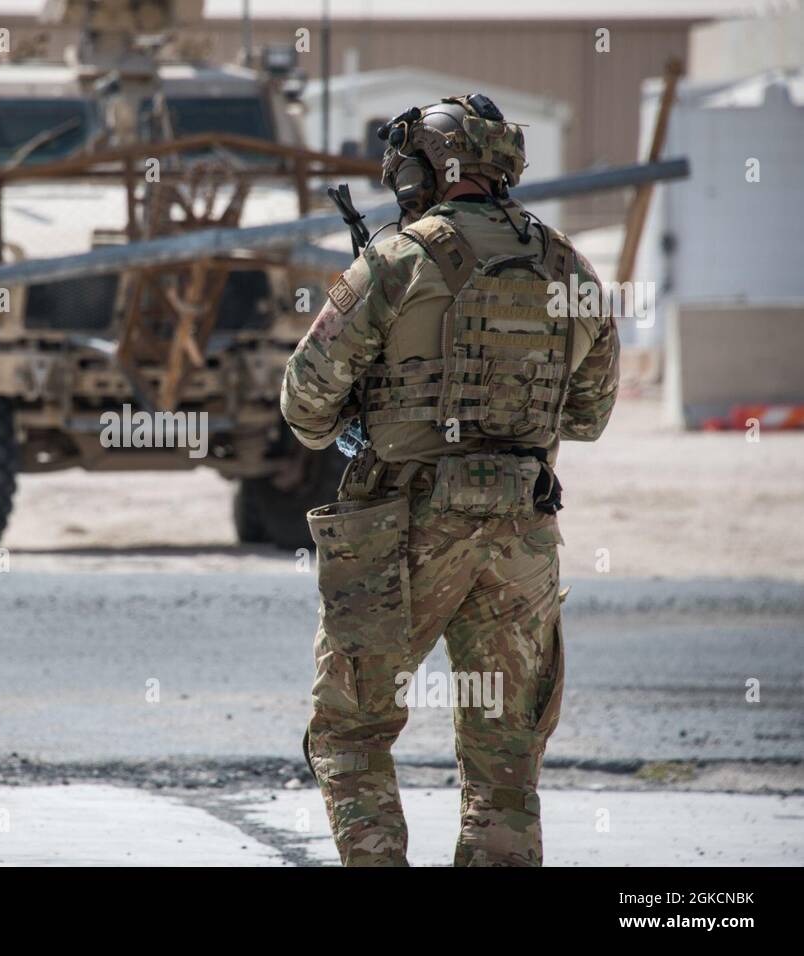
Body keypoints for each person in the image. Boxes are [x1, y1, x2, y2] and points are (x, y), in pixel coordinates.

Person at [281, 94, 620, 866]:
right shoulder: (571, 265)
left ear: (428, 168)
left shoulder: (398, 260)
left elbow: (304, 400)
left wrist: (374, 412)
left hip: (405, 529)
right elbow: (591, 415)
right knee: (506, 757)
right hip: (524, 534)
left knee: (353, 731)